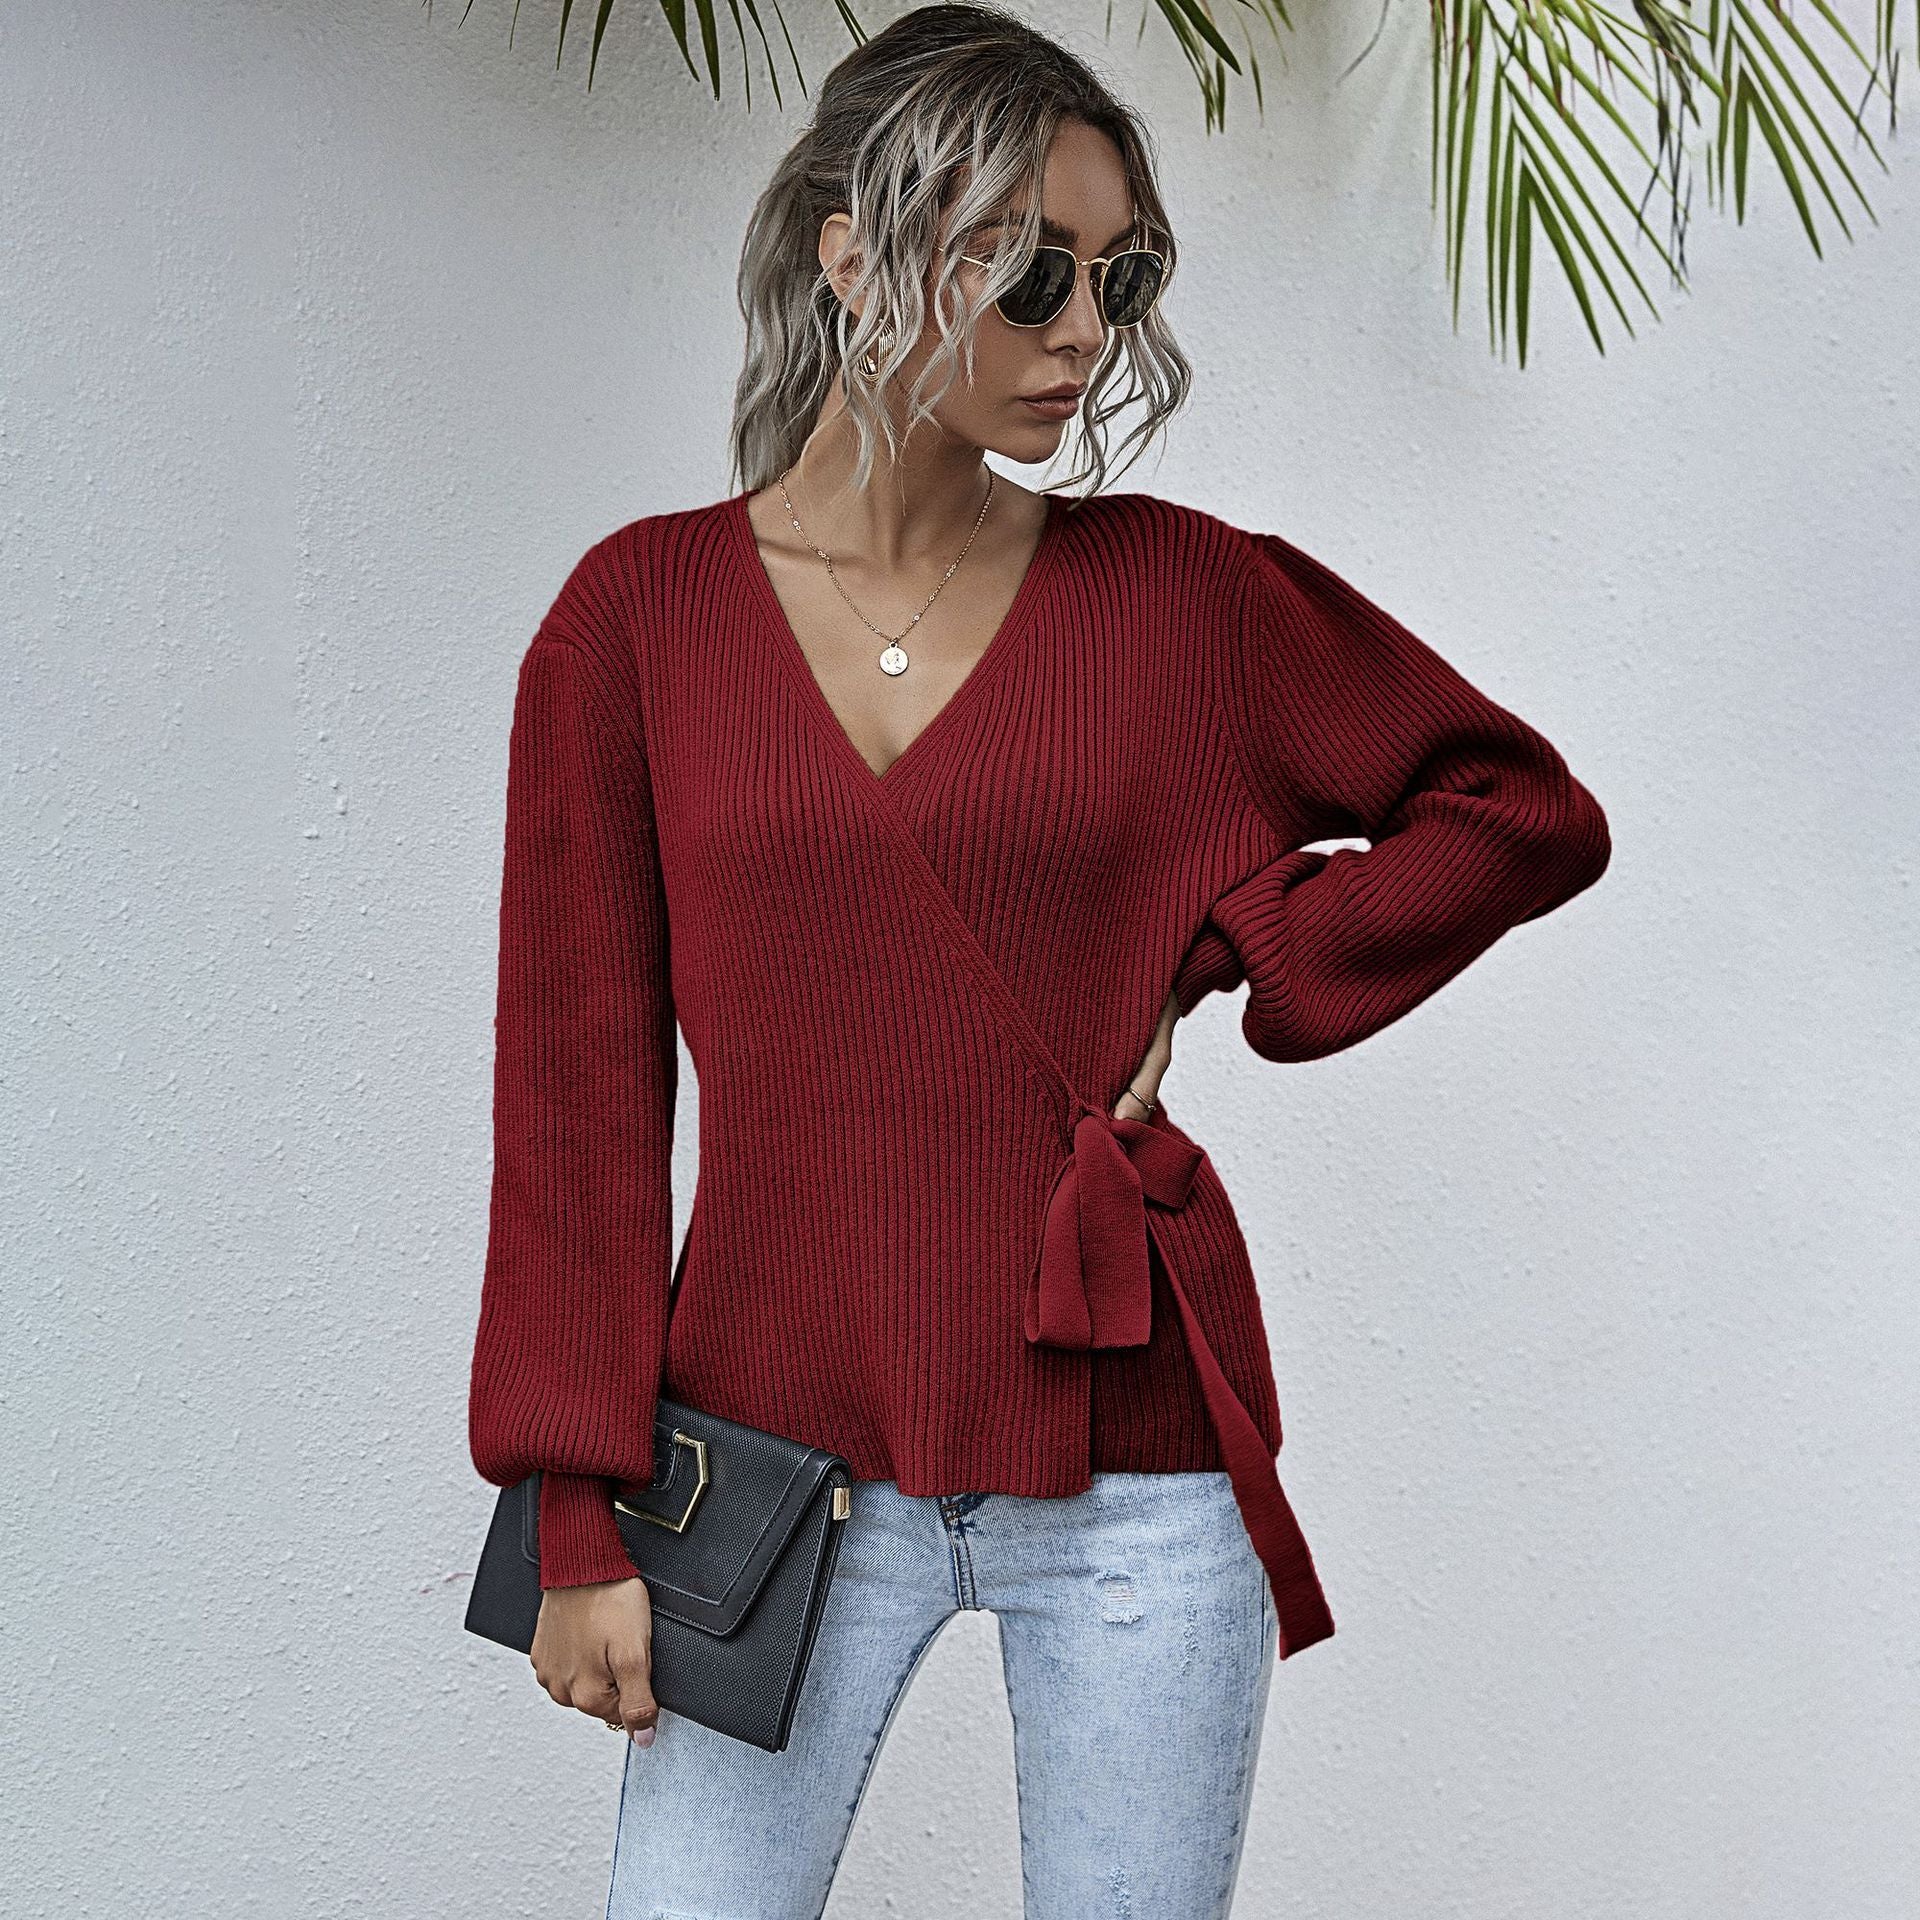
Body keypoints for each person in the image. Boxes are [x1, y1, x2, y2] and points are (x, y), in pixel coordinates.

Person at [466, 5, 1613, 1913]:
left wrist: (1251, 937)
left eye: (1121, 277)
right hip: (769, 1466)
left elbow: (1521, 808)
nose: (1084, 332)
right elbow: (575, 1102)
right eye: (1030, 274)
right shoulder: (635, 622)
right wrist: (573, 1500)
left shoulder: (1178, 597)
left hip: (1134, 1468)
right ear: (855, 254)